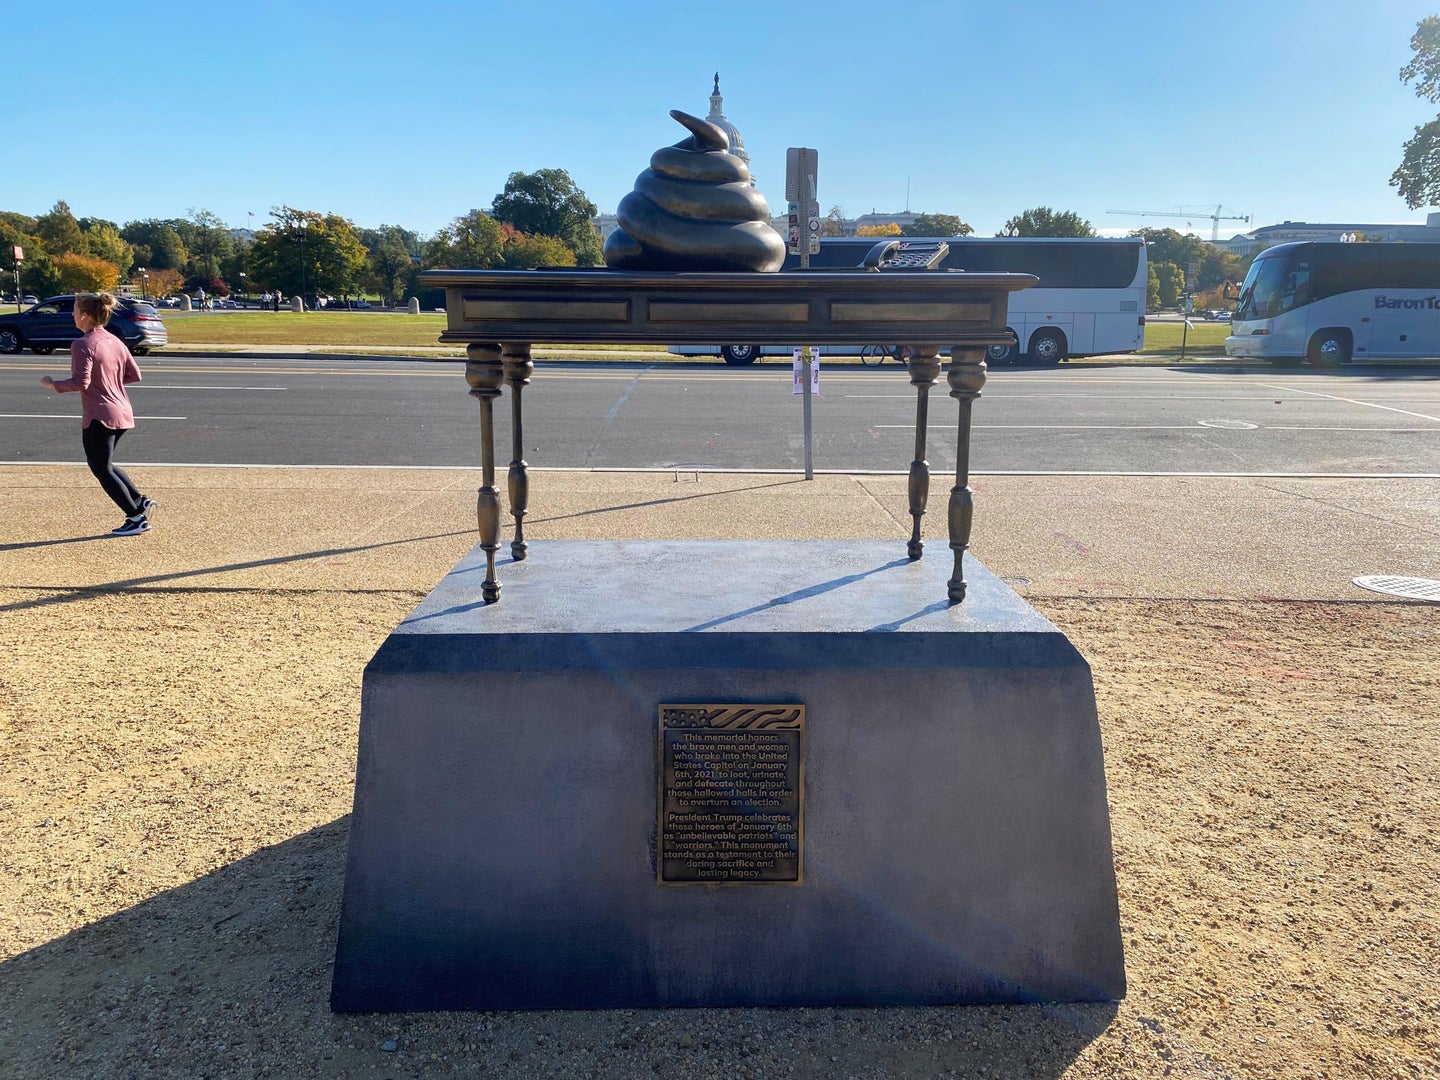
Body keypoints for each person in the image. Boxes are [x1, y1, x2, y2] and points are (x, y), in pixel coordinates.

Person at [39, 291, 155, 536]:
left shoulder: (82, 344)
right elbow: (134, 375)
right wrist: (108, 381)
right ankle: (139, 501)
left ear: (85, 315)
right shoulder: (114, 340)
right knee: (105, 465)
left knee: (100, 468)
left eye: (74, 311)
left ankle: (136, 517)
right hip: (122, 410)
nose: (72, 315)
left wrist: (52, 384)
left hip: (99, 414)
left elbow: (81, 382)